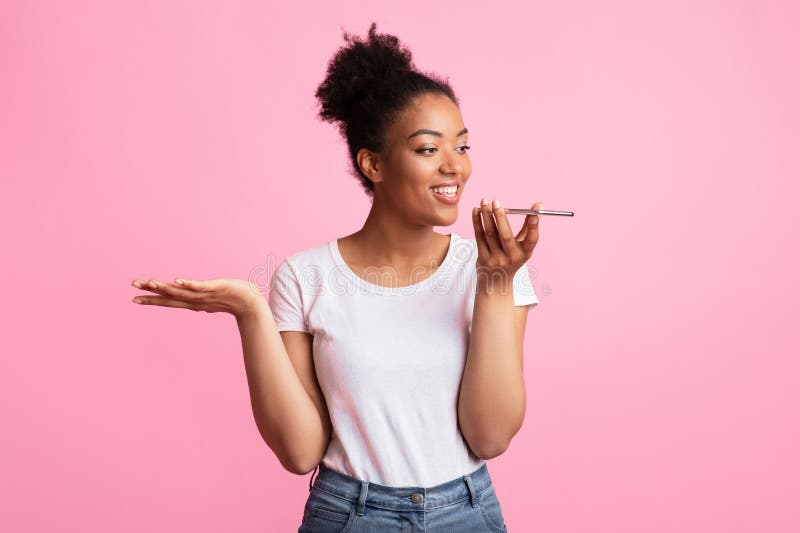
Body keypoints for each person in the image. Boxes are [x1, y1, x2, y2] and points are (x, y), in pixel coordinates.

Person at [131, 21, 543, 533]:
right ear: (373, 164)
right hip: (348, 514)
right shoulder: (305, 277)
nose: (454, 168)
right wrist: (250, 311)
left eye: (461, 147)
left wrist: (495, 285)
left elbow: (491, 437)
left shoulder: (495, 266)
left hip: (466, 513)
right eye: (428, 149)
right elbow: (300, 452)